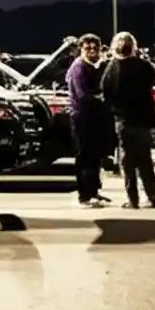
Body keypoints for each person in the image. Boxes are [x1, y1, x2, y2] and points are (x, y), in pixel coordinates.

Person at [101, 31, 155, 209]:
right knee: (145, 159)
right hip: (143, 118)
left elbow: (106, 92)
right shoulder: (144, 66)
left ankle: (133, 198)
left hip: (124, 120)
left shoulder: (112, 68)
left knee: (128, 162)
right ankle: (152, 195)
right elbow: (153, 80)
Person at [66, 33, 114, 208]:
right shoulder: (78, 68)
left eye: (96, 48)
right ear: (81, 49)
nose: (92, 51)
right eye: (88, 48)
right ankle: (84, 195)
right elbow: (81, 95)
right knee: (85, 155)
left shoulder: (94, 66)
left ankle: (93, 192)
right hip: (82, 116)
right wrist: (101, 98)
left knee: (94, 156)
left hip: (93, 117)